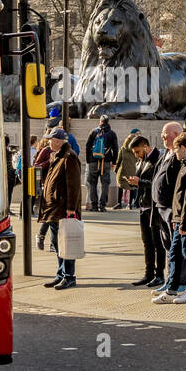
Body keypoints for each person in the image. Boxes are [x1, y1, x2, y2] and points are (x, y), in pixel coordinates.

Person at [155, 132, 186, 305]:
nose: (175, 152)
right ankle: (172, 288)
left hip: (185, 220)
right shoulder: (185, 164)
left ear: (183, 147)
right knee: (175, 253)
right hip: (178, 218)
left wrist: (183, 222)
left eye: (176, 149)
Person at [39, 128, 82, 289]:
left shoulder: (69, 157)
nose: (49, 142)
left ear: (58, 141)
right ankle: (60, 274)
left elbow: (74, 185)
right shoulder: (56, 156)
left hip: (64, 209)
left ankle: (69, 276)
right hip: (55, 209)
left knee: (67, 244)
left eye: (51, 140)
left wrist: (71, 207)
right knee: (57, 244)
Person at [150, 122, 183, 298]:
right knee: (167, 246)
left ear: (176, 134)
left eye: (165, 134)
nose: (162, 137)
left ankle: (179, 283)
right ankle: (170, 280)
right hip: (160, 207)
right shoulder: (166, 153)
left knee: (175, 247)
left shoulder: (179, 156)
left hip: (171, 209)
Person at [126, 135, 164, 284]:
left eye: (137, 151)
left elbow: (157, 183)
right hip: (144, 205)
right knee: (147, 242)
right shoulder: (142, 160)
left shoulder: (157, 159)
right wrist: (134, 182)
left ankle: (159, 274)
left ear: (145, 147)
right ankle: (148, 273)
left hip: (153, 206)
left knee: (157, 243)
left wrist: (140, 182)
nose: (136, 155)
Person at [84, 117, 118, 211]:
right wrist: (114, 162)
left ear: (100, 122)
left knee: (92, 184)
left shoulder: (93, 132)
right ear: (108, 122)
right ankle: (102, 206)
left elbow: (87, 146)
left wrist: (88, 160)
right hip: (106, 161)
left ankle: (94, 206)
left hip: (93, 161)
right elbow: (115, 149)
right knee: (105, 184)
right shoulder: (112, 133)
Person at [33, 136, 54, 248]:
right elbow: (36, 166)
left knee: (56, 216)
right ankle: (43, 237)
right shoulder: (46, 150)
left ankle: (52, 242)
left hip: (61, 186)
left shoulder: (65, 150)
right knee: (51, 214)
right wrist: (48, 161)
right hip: (47, 185)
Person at [115, 128, 140, 210]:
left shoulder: (123, 148)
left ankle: (119, 203)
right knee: (132, 187)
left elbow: (118, 160)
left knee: (120, 186)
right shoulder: (136, 149)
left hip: (123, 171)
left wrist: (116, 169)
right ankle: (130, 204)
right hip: (133, 170)